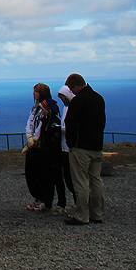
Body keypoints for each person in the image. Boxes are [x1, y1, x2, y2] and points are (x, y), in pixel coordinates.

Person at [62, 73, 106, 227]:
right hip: (96, 146)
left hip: (81, 147)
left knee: (81, 182)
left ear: (76, 87)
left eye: (71, 89)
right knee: (96, 180)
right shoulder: (98, 98)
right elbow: (102, 121)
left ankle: (82, 215)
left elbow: (71, 123)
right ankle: (97, 214)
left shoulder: (78, 101)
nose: (71, 91)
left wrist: (71, 142)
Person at [23, 83, 61, 213]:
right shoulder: (34, 109)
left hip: (42, 147)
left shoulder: (47, 107)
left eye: (37, 91)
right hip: (33, 146)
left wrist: (35, 138)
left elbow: (43, 125)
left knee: (44, 175)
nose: (34, 93)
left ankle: (45, 200)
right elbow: (30, 123)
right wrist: (29, 136)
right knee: (31, 174)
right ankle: (38, 197)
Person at [55, 85, 76, 214]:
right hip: (64, 146)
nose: (63, 100)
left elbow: (72, 126)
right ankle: (77, 201)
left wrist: (60, 129)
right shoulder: (66, 108)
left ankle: (79, 201)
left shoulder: (73, 108)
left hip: (70, 148)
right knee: (67, 177)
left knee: (72, 177)